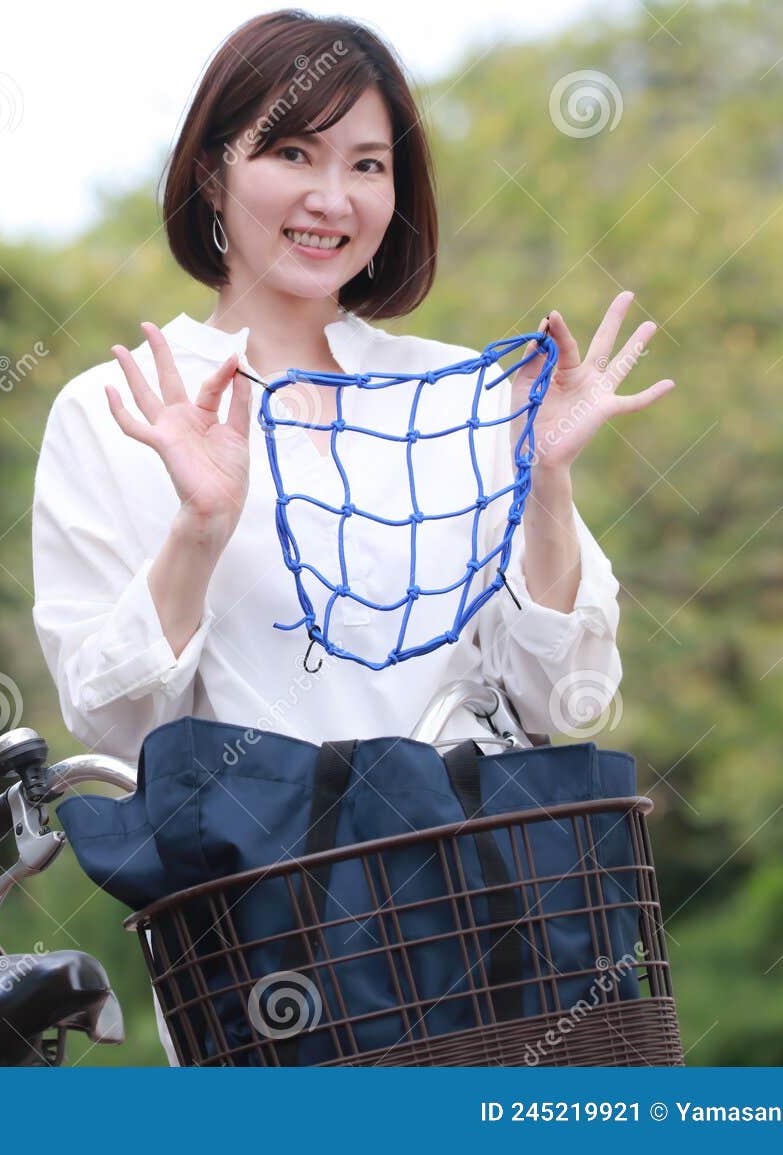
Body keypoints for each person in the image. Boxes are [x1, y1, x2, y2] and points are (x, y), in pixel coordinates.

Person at [33, 8, 676, 768]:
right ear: (211, 174)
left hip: (470, 875)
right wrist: (200, 529)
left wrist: (546, 484)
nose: (333, 199)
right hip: (264, 878)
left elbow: (569, 695)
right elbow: (121, 726)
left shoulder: (458, 393)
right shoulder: (114, 409)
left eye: (368, 165)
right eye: (294, 153)